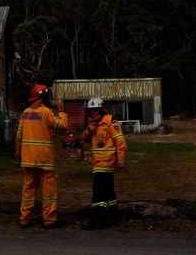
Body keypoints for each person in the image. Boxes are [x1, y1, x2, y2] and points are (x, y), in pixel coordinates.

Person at [15, 83, 69, 228]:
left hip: (28, 158)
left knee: (28, 190)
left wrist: (18, 152)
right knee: (49, 191)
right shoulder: (46, 113)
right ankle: (49, 220)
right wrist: (61, 111)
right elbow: (62, 126)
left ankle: (25, 219)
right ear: (43, 98)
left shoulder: (25, 113)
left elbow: (19, 135)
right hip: (45, 159)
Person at [80, 96, 127, 230]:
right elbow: (84, 139)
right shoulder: (93, 124)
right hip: (97, 163)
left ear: (101, 110)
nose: (93, 112)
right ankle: (112, 216)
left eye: (96, 110)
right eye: (91, 110)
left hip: (106, 163)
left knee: (98, 193)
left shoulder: (110, 122)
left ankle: (96, 219)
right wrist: (89, 130)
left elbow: (120, 141)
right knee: (108, 192)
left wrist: (121, 158)